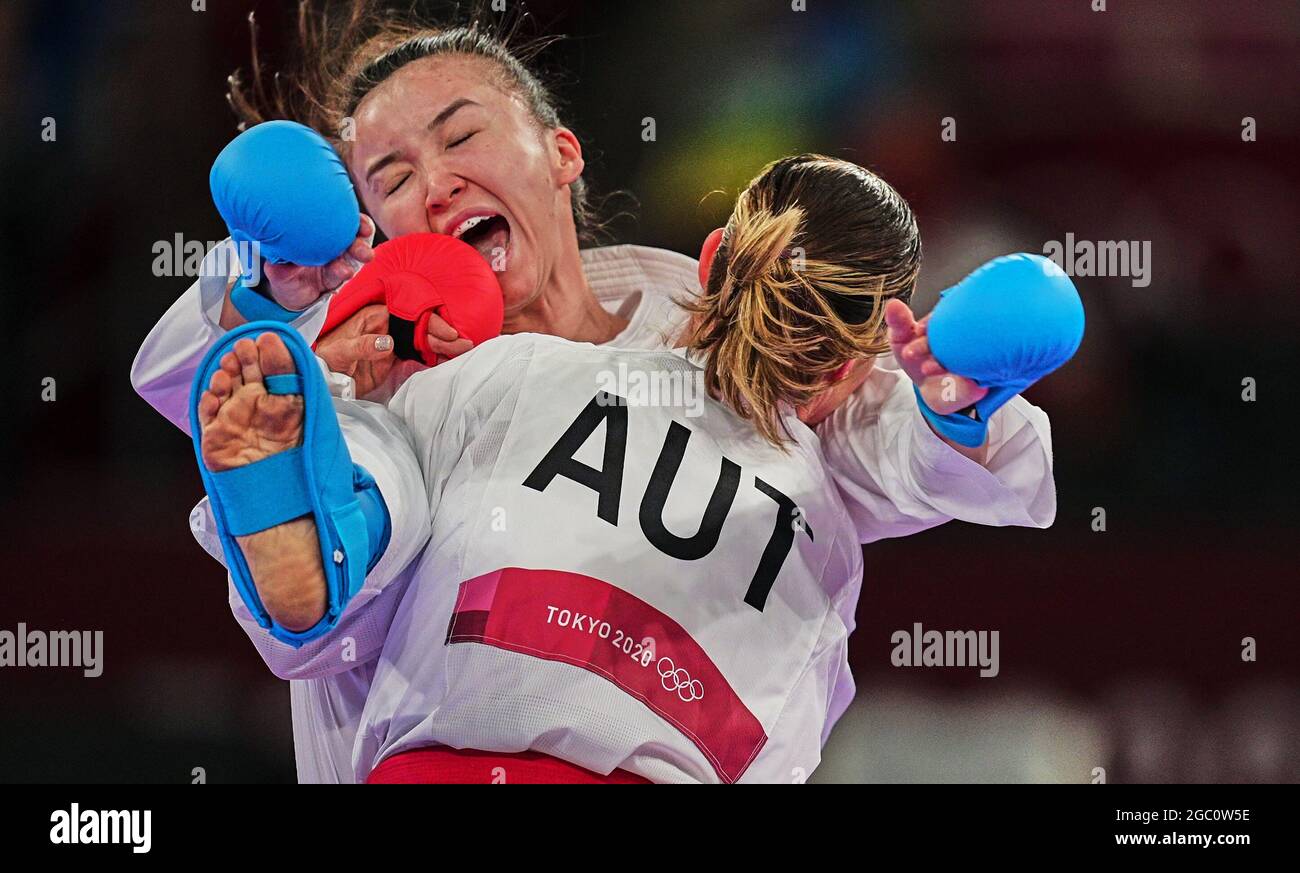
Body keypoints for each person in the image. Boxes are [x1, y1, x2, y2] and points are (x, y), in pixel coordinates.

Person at [132, 6, 1055, 782]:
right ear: (374, 235)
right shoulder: (375, 358)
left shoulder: (715, 323)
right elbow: (202, 383)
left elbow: (888, 431)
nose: (439, 181)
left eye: (460, 136)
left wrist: (951, 400)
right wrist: (275, 286)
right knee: (348, 447)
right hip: (437, 737)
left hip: (687, 739)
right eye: (395, 180)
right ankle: (315, 527)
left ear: (561, 153)